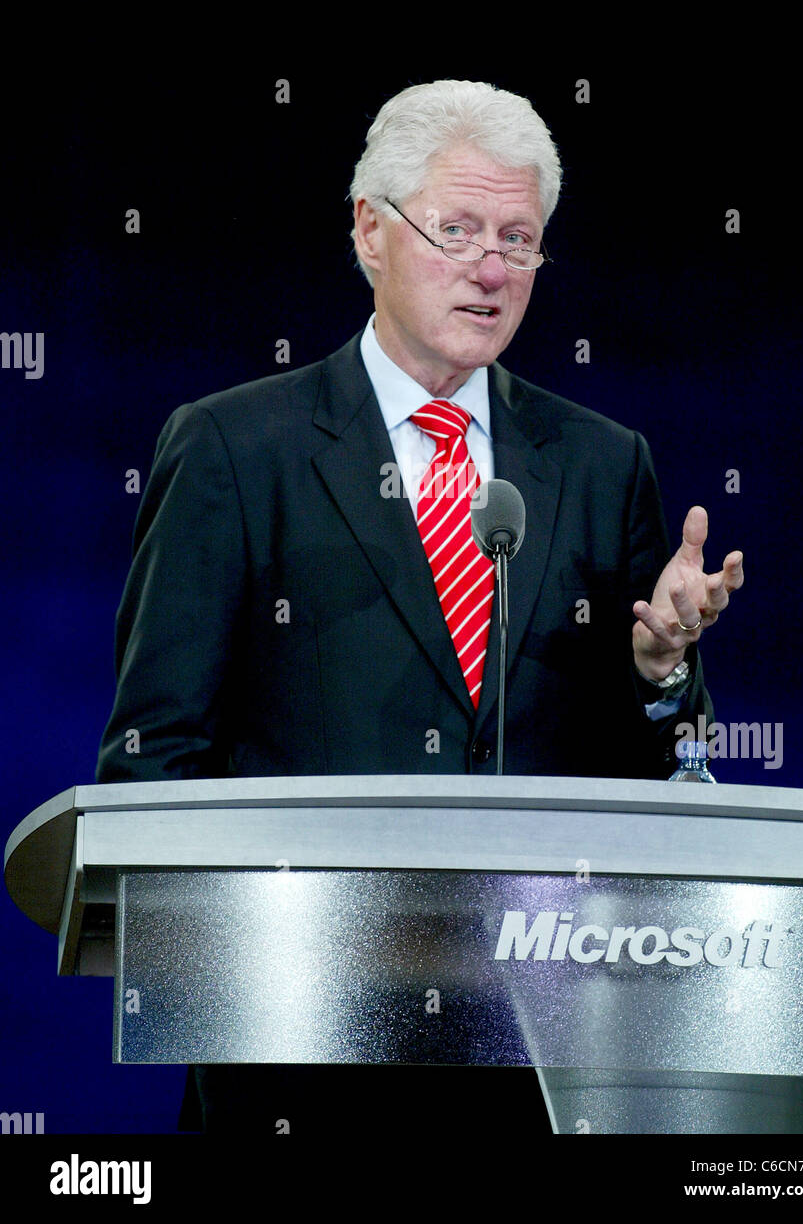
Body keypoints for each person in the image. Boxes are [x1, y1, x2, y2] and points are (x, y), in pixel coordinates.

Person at [96, 80, 744, 1133]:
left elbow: (652, 793)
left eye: (519, 239)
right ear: (369, 230)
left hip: (536, 1067)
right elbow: (150, 759)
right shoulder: (233, 449)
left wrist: (660, 669)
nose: (491, 270)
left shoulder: (596, 464)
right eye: (456, 230)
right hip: (297, 1061)